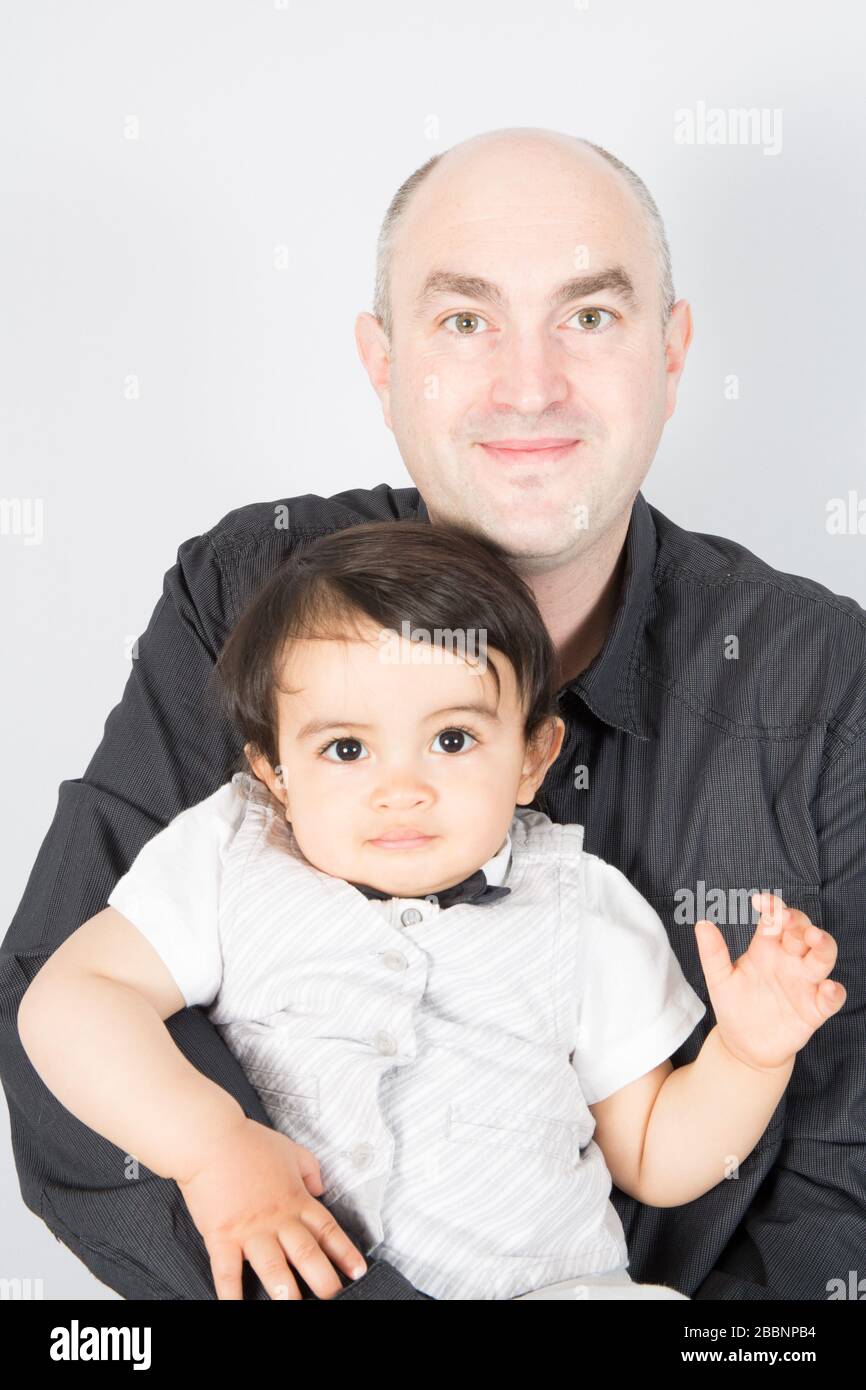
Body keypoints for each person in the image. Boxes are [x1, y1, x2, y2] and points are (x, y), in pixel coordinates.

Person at [1, 127, 863, 1302]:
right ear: (383, 358)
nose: (527, 383)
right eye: (464, 320)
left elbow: (824, 1184)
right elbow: (63, 1023)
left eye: (590, 316)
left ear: (670, 353)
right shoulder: (246, 597)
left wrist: (751, 1049)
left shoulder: (821, 678)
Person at [15, 520, 845, 1301]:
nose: (400, 789)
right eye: (346, 749)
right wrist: (209, 1147)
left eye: (452, 739)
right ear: (274, 770)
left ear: (532, 757)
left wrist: (748, 1056)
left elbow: (655, 1159)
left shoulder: (581, 906)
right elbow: (71, 999)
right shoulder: (232, 855)